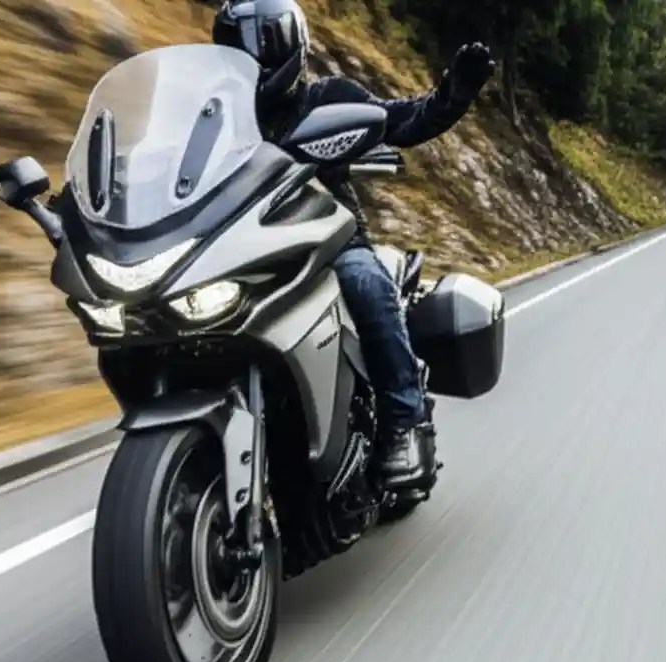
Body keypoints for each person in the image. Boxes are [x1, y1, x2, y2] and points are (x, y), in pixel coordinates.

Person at [212, 0, 496, 491]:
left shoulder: (328, 99)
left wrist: (453, 95)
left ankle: (405, 421)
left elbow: (403, 121)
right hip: (240, 251)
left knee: (365, 281)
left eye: (262, 45)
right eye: (238, 46)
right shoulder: (215, 118)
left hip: (326, 241)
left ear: (291, 47)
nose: (252, 58)